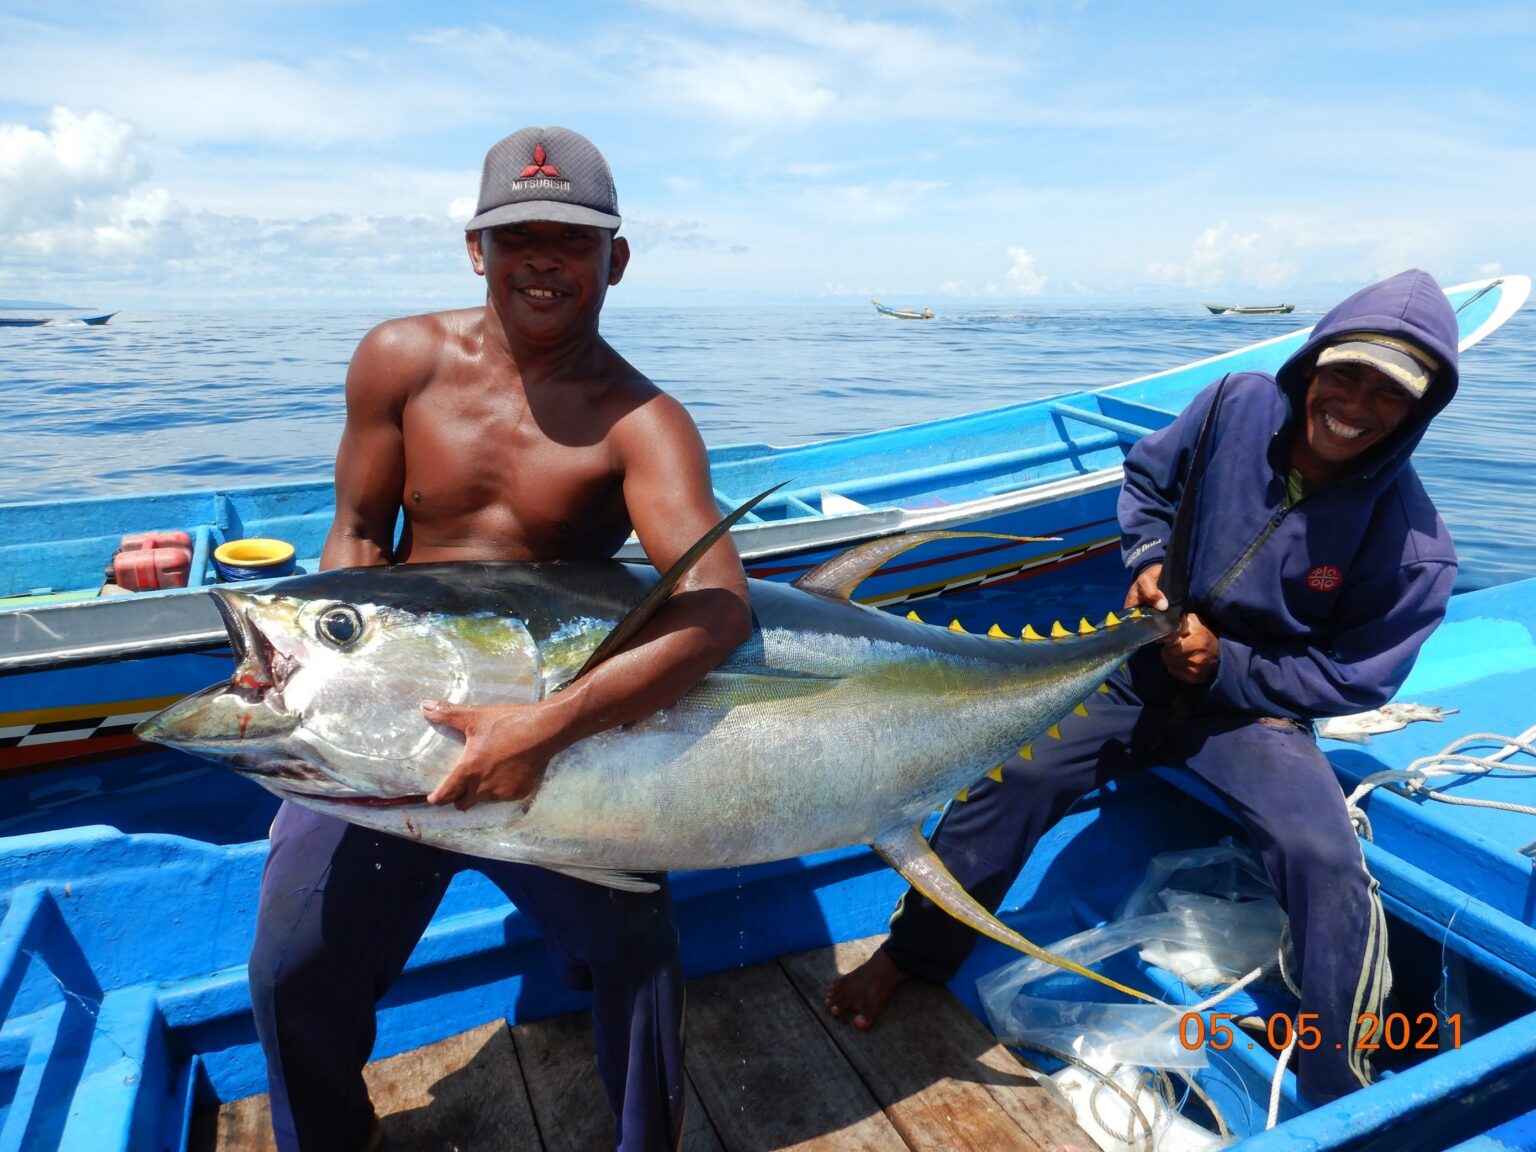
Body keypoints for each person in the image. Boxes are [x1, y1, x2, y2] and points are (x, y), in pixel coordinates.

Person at [825, 268, 1461, 1105]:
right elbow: (1149, 482)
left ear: (1419, 410)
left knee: (1325, 860)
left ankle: (1335, 1079)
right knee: (1015, 775)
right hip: (1140, 665)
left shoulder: (1414, 545)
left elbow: (1356, 676)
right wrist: (1150, 559)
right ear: (1310, 366)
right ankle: (912, 956)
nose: (1356, 404)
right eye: (1344, 374)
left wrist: (1231, 666)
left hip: (1254, 713)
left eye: (1389, 394)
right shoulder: (1233, 405)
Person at [247, 125, 751, 1152]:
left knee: (639, 956)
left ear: (616, 259)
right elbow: (357, 537)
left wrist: (547, 728)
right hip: (394, 711)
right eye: (518, 237)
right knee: (290, 970)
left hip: (553, 728)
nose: (542, 262)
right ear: (477, 250)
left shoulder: (641, 421)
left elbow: (720, 608)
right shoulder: (399, 360)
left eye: (572, 241)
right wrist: (322, 685)